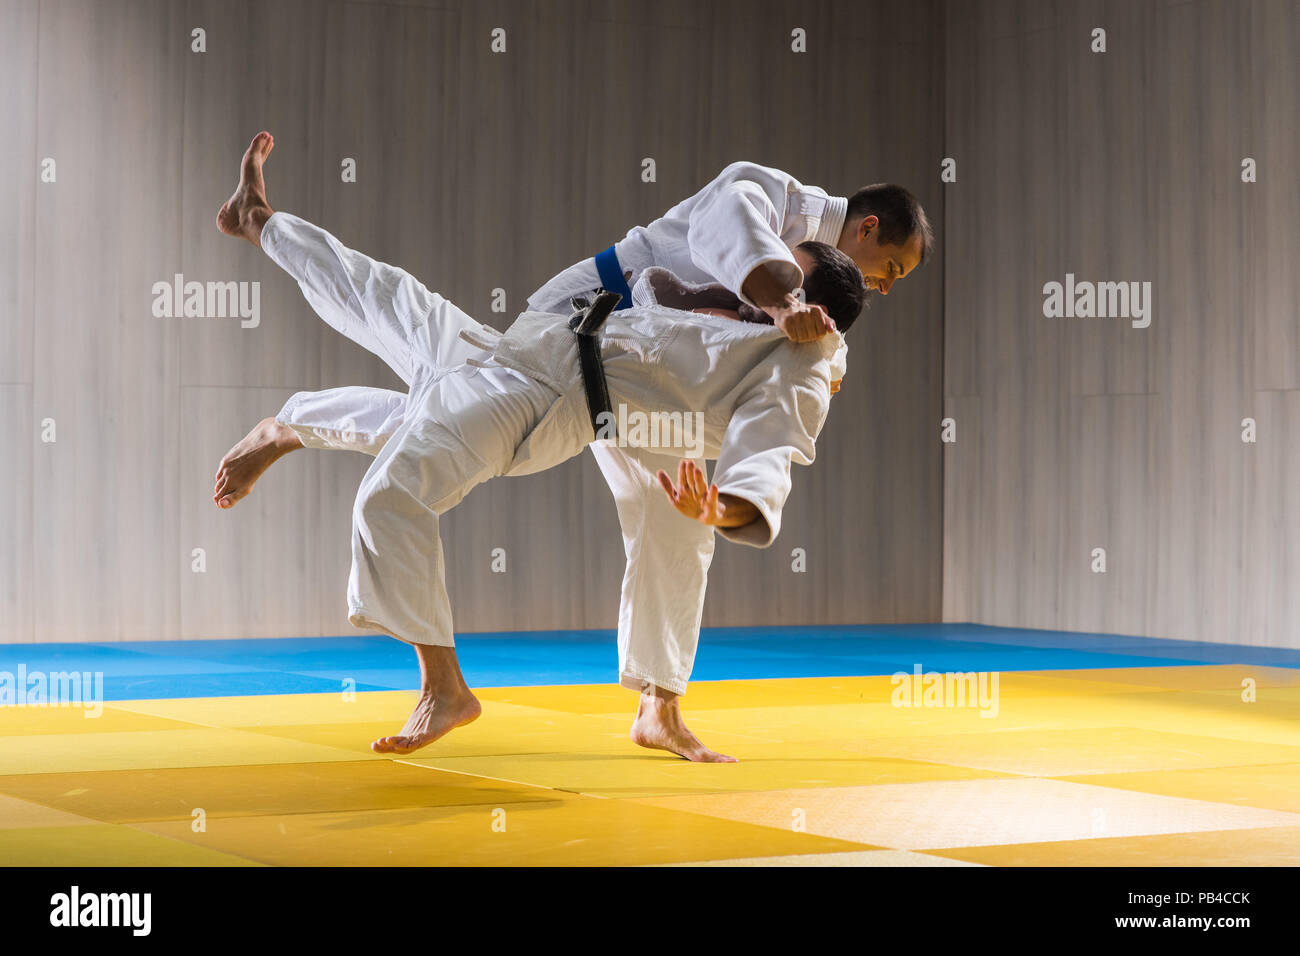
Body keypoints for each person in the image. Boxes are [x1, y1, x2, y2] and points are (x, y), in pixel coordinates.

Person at [214, 132, 925, 759]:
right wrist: (784, 303)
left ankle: (656, 706)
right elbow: (733, 242)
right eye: (890, 270)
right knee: (404, 320)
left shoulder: (813, 350)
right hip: (577, 328)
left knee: (667, 515)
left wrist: (730, 503)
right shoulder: (768, 207)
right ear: (863, 231)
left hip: (604, 394)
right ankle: (265, 255)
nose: (885, 288)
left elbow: (777, 440)